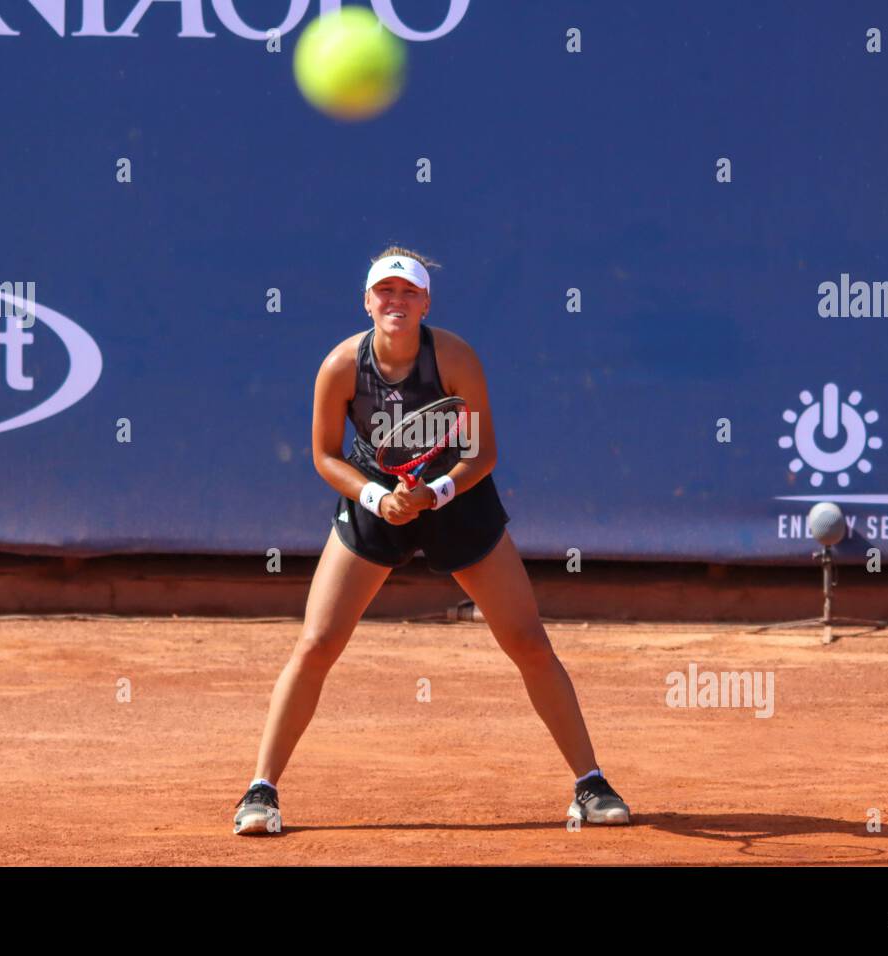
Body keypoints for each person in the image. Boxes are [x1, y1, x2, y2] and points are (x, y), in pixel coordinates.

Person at [233, 247, 630, 834]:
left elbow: (482, 452)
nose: (396, 302)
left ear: (425, 303)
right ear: (367, 302)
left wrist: (434, 494)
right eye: (385, 292)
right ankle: (260, 792)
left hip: (454, 498)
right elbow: (325, 455)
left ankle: (590, 784)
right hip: (374, 497)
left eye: (408, 293)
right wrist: (377, 497)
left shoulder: (455, 359)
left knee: (526, 639)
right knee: (317, 643)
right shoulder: (341, 366)